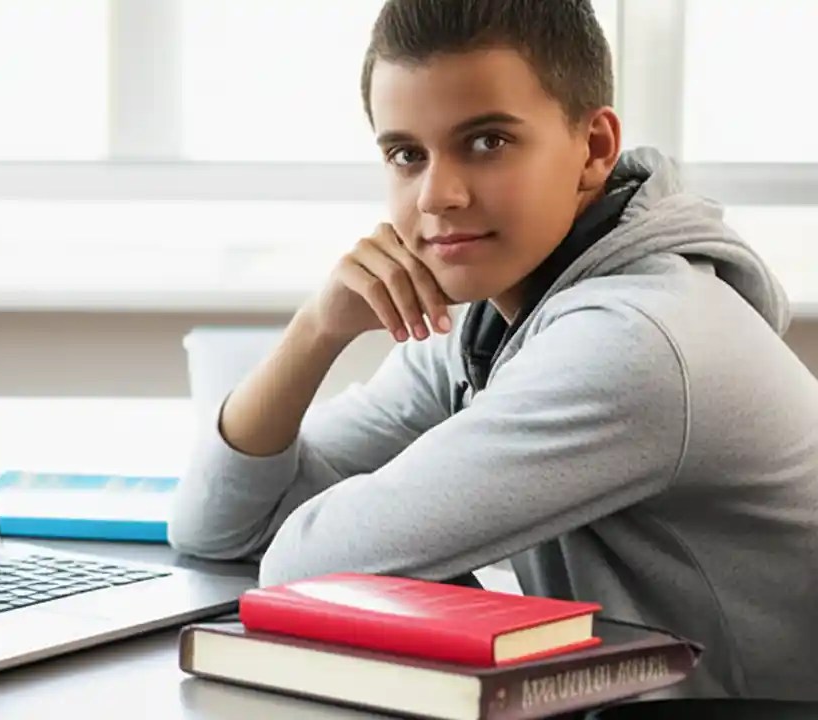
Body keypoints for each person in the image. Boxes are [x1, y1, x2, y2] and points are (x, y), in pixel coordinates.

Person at [167, 0, 818, 701]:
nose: (438, 196)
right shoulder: (488, 318)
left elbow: (309, 566)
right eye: (406, 154)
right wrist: (318, 328)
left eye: (487, 143)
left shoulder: (634, 344)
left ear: (594, 148)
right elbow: (216, 527)